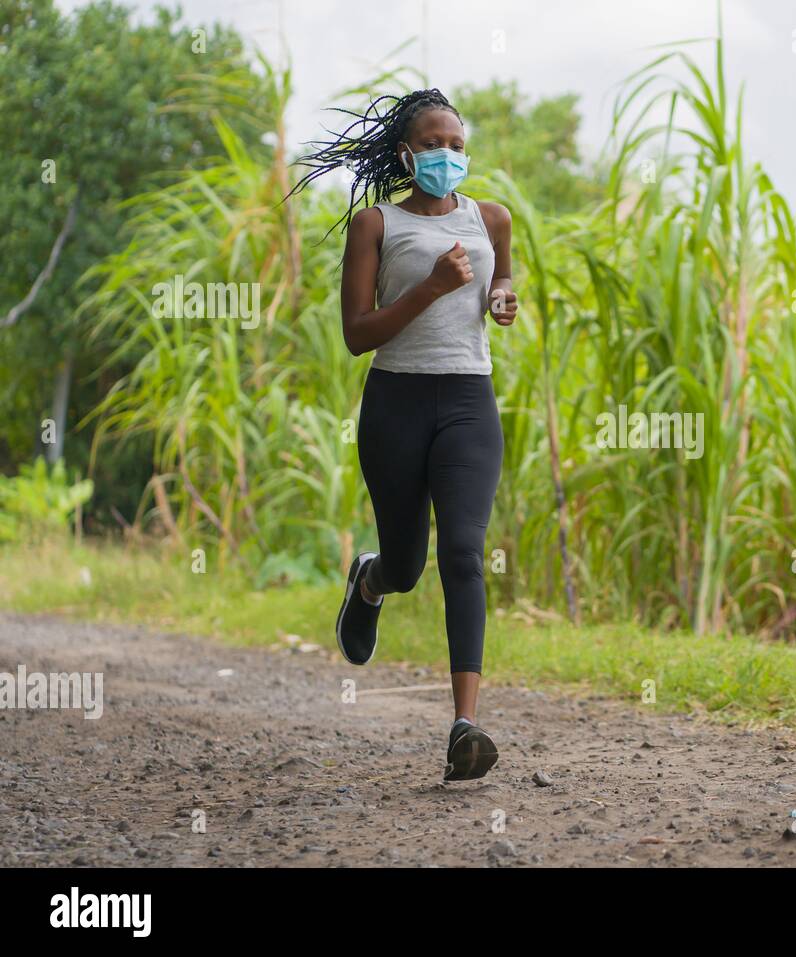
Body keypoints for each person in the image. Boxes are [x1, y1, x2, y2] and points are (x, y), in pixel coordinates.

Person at [288, 88, 517, 781]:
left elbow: (501, 281)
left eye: (457, 143)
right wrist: (431, 289)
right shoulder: (375, 226)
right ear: (405, 154)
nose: (448, 154)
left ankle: (463, 726)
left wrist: (503, 297)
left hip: (468, 401)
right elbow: (358, 334)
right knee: (409, 564)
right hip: (395, 401)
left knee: (464, 551)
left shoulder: (493, 217)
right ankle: (370, 580)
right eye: (433, 144)